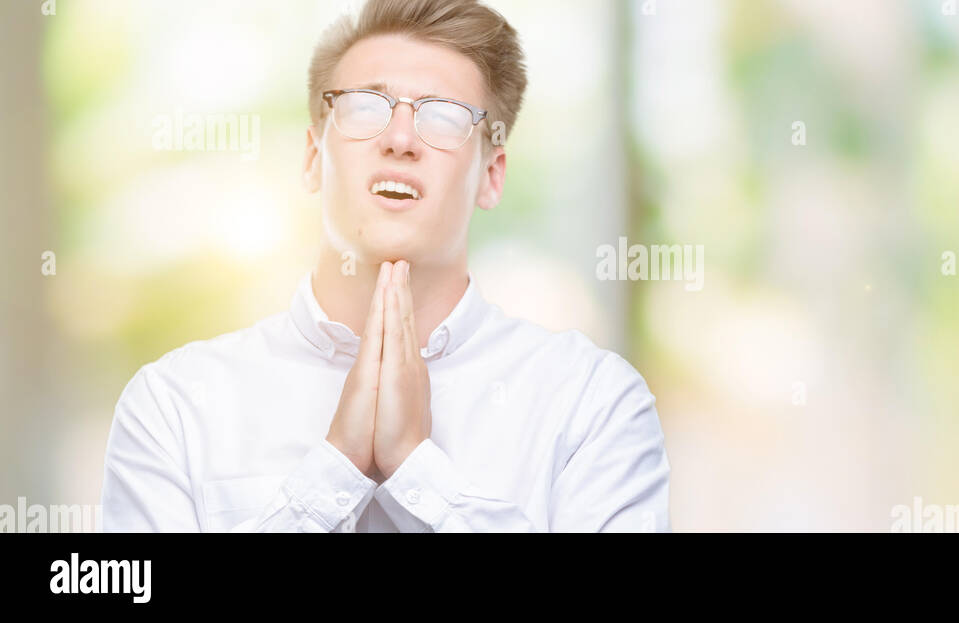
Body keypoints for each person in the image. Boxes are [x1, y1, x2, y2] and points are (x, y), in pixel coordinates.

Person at [100, 0, 670, 532]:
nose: (400, 138)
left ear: (491, 176)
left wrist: (418, 471)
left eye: (444, 117)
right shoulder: (173, 406)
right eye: (366, 106)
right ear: (312, 156)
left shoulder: (591, 406)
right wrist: (337, 470)